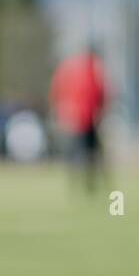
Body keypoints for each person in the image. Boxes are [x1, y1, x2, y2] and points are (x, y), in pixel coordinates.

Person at [50, 45, 109, 192]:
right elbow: (100, 93)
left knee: (79, 154)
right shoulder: (93, 69)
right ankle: (89, 185)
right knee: (90, 154)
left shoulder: (70, 68)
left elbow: (57, 90)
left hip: (75, 119)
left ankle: (80, 185)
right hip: (86, 119)